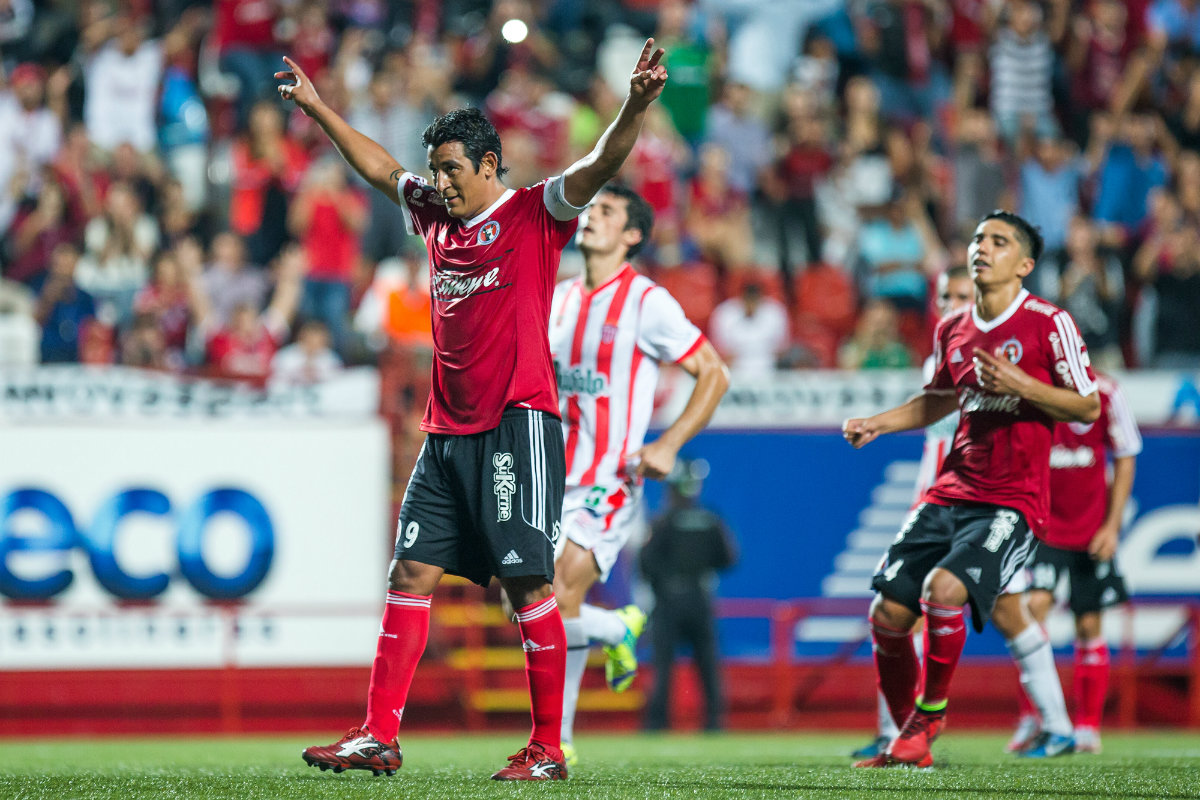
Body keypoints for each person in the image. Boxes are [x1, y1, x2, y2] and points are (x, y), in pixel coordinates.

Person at [278, 38, 669, 781]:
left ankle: (548, 749)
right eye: (435, 170)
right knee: (409, 574)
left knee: (529, 584)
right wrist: (320, 107)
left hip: (517, 423)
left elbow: (599, 166)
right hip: (445, 431)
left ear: (489, 166)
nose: (439, 183)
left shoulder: (535, 214)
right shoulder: (431, 216)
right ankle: (379, 734)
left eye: (452, 169)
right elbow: (375, 167)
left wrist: (637, 105)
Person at [843, 210, 1101, 768]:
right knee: (886, 612)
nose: (982, 247)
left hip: (1013, 500)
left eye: (999, 241)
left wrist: (1024, 385)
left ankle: (928, 717)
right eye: (979, 237)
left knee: (944, 589)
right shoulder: (952, 327)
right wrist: (878, 422)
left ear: (1025, 264)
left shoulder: (1048, 323)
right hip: (953, 489)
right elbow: (939, 398)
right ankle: (905, 740)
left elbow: (1086, 404)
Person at [548, 184, 730, 766]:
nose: (591, 216)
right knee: (529, 606)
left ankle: (557, 740)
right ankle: (615, 629)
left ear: (631, 235)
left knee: (556, 594)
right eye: (590, 208)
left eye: (606, 212)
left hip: (611, 475)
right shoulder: (558, 299)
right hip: (551, 475)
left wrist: (670, 442)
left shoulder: (647, 302)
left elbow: (713, 373)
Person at [1016, 373, 1142, 755]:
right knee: (1033, 610)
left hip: (1091, 531)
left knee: (1089, 623)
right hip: (1044, 529)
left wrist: (1112, 526)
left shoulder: (1106, 394)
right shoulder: (1035, 391)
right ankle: (1036, 719)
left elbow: (1126, 454)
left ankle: (1088, 727)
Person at [640, 458, 737, 732]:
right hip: (700, 596)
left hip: (669, 600)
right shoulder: (710, 520)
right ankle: (715, 722)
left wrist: (664, 582)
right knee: (708, 664)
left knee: (662, 664)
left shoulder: (663, 522)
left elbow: (645, 562)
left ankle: (656, 724)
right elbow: (729, 558)